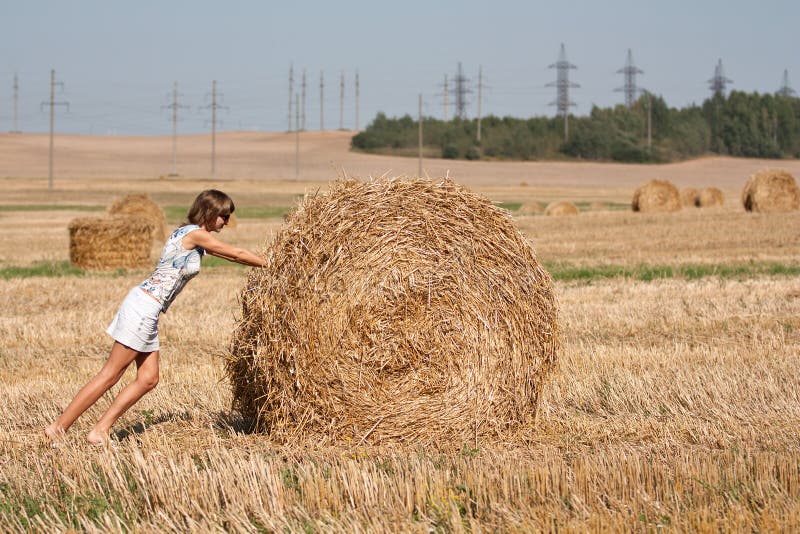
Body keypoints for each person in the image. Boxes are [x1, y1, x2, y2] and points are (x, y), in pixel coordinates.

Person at [45, 189, 266, 446]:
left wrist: (261, 263)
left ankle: (100, 431)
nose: (227, 222)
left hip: (148, 308)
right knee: (110, 375)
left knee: (148, 379)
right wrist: (271, 264)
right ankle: (58, 428)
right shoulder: (194, 234)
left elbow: (229, 256)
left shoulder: (193, 236)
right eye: (224, 216)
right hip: (143, 307)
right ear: (210, 212)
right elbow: (236, 252)